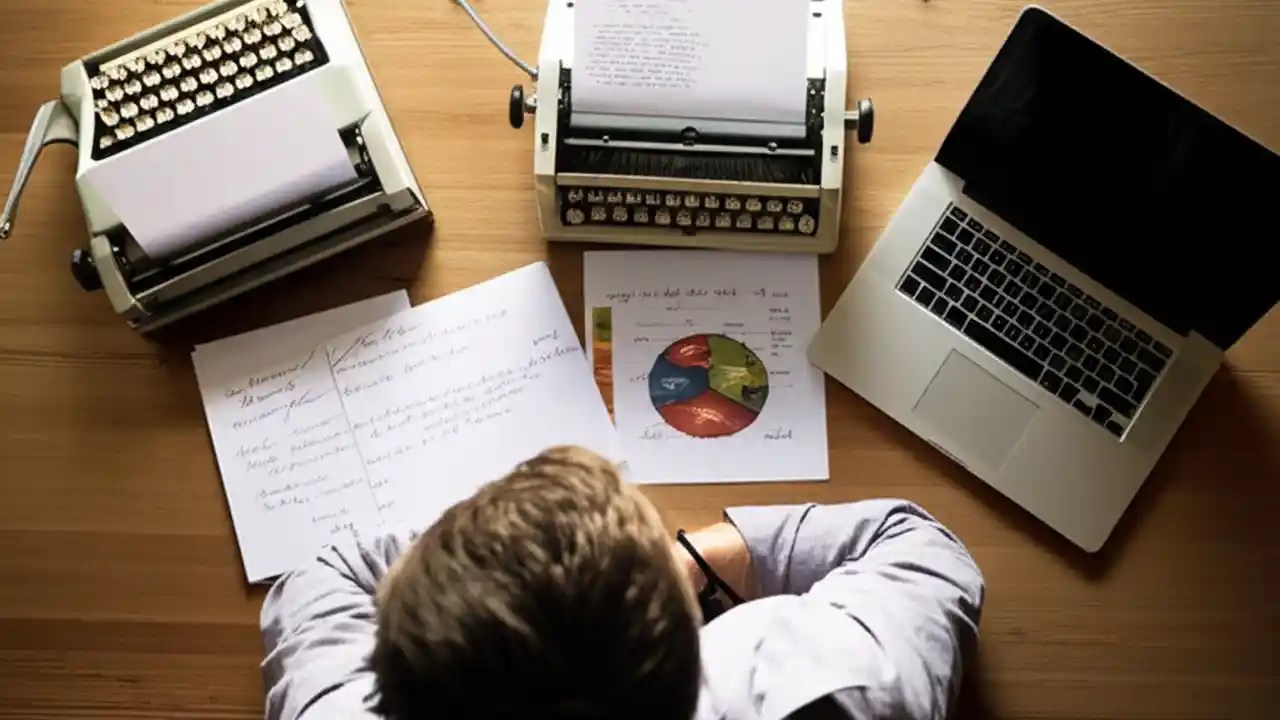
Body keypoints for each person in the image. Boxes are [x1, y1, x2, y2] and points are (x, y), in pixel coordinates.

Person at [260, 446, 984, 720]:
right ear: (690, 638)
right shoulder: (829, 685)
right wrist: (694, 561)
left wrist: (480, 561)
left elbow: (323, 575)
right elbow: (916, 545)